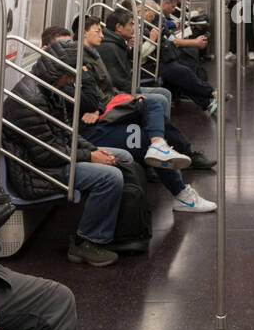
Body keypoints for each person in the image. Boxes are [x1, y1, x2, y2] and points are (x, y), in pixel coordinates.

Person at [2, 37, 141, 267]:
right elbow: (45, 154)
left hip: (52, 159)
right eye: (69, 74)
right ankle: (86, 242)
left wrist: (94, 150)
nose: (71, 80)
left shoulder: (51, 90)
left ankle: (117, 231)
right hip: (35, 171)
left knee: (122, 156)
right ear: (58, 71)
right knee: (109, 177)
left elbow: (67, 134)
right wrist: (90, 157)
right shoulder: (31, 100)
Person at [49, 33, 217, 214]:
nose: (67, 52)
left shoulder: (73, 72)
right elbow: (88, 100)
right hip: (87, 133)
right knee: (144, 137)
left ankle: (159, 145)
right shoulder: (58, 80)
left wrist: (96, 107)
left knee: (152, 106)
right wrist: (85, 77)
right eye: (60, 47)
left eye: (69, 45)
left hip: (100, 118)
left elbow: (95, 98)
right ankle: (181, 193)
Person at [64, 17, 215, 169]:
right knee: (156, 102)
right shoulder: (87, 57)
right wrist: (127, 98)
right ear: (84, 33)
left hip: (112, 98)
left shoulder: (95, 53)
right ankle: (174, 151)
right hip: (107, 105)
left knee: (159, 99)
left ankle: (172, 150)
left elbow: (109, 85)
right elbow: (102, 90)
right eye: (98, 31)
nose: (102, 35)